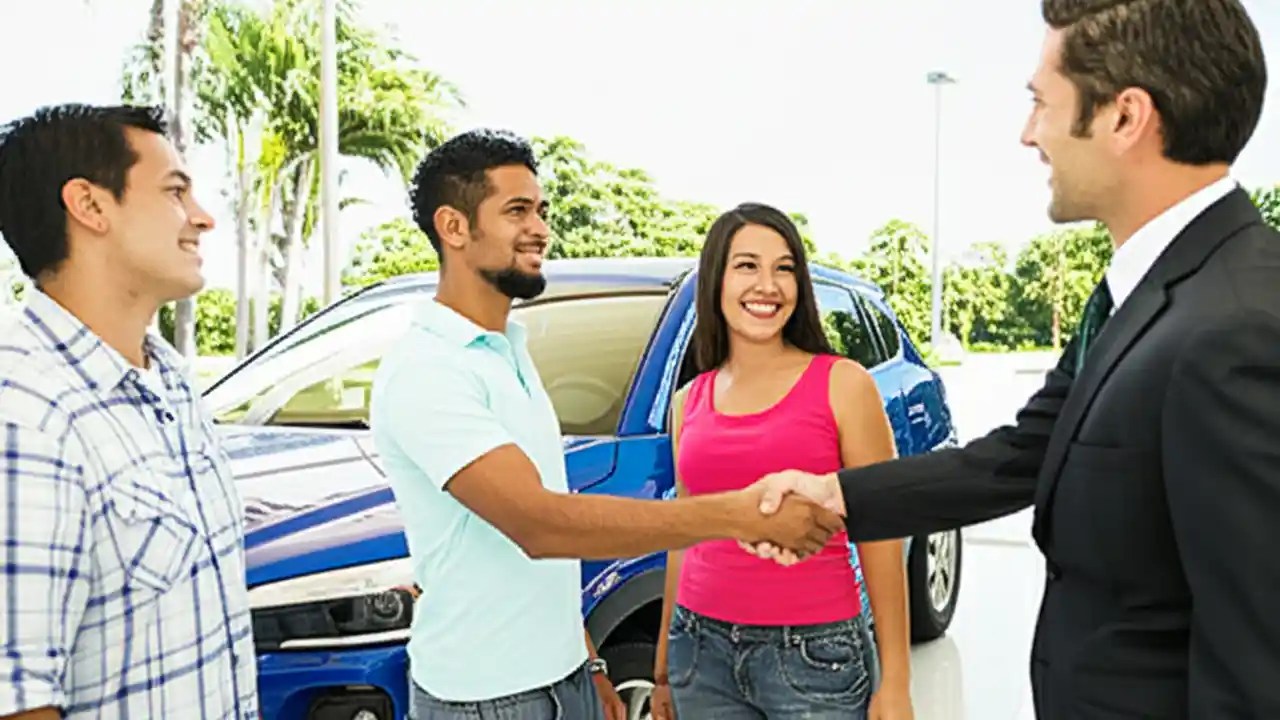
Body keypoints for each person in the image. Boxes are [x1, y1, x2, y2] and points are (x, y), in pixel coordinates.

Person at [749, 1, 1280, 717]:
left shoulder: (1238, 329)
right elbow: (1026, 455)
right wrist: (837, 496)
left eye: (1040, 102)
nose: (1028, 134)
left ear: (1126, 117)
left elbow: (1258, 666)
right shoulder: (1148, 295)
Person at [368, 129, 843, 720]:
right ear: (454, 227)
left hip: (561, 679)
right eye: (517, 210)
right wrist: (741, 513)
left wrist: (587, 660)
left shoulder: (507, 351)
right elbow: (540, 525)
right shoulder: (427, 369)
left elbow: (537, 550)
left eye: (541, 210)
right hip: (486, 700)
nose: (540, 227)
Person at [0, 104, 257, 719]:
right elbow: (20, 698)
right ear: (89, 206)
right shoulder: (25, 413)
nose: (204, 218)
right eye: (175, 192)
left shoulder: (169, 380)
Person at [648, 203, 913, 720]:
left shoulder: (842, 383)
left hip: (816, 655)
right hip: (698, 654)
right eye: (747, 266)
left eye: (784, 268)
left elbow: (881, 533)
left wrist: (896, 681)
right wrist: (662, 667)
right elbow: (686, 529)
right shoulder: (690, 400)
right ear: (716, 280)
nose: (767, 285)